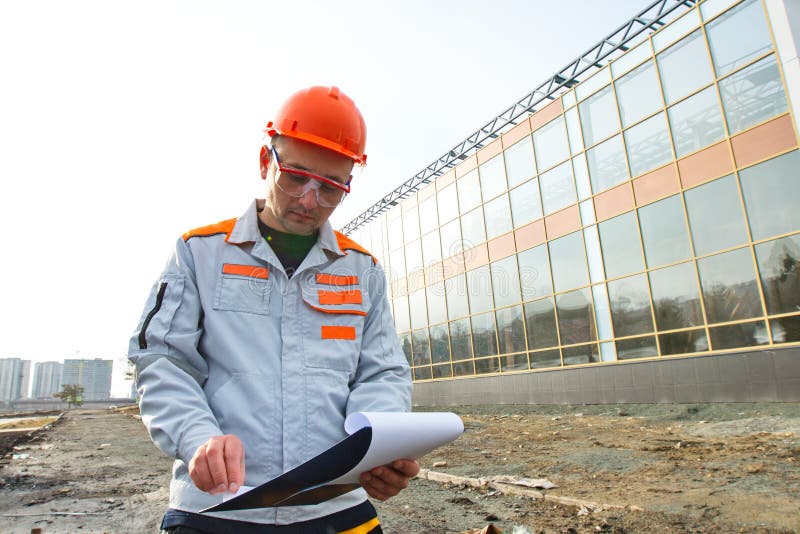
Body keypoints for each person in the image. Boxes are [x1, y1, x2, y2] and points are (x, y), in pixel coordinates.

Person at [128, 86, 417, 534]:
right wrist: (197, 438)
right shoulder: (199, 254)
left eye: (330, 188)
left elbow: (382, 373)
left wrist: (376, 442)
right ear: (266, 161)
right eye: (296, 177)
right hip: (220, 507)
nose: (308, 200)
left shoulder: (363, 271)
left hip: (333, 505)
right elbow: (162, 362)